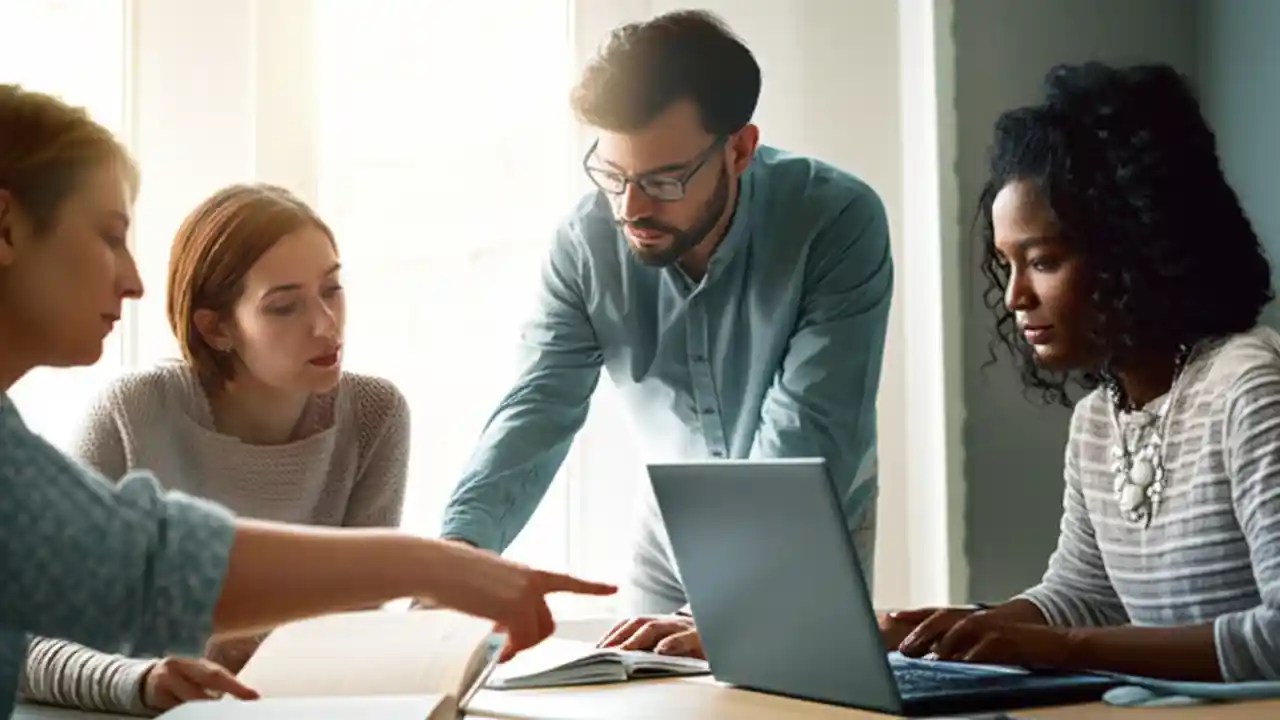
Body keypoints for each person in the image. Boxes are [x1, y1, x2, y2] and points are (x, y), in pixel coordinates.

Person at [0, 85, 614, 719]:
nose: (133, 282)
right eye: (109, 236)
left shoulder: (12, 454)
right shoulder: (127, 414)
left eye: (332, 289)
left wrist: (440, 570)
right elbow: (152, 568)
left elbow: (145, 561)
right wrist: (440, 566)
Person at [440, 9, 892, 660]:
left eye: (663, 180)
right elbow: (537, 407)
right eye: (613, 175)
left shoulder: (837, 219)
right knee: (644, 688)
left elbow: (809, 426)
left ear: (739, 150)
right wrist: (460, 554)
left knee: (787, 695)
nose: (631, 208)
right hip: (667, 523)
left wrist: (734, 608)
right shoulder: (585, 243)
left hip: (805, 522)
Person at [883, 62, 1280, 682]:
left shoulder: (1247, 387)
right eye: (1006, 264)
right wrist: (949, 630)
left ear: (1135, 250)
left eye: (1042, 261)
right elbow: (1084, 596)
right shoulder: (1100, 417)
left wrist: (1066, 648)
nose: (1014, 296)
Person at [20, 183, 413, 714]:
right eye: (284, 307)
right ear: (216, 328)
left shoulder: (376, 415)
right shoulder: (133, 413)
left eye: (332, 288)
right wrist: (141, 679)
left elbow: (356, 616)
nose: (326, 324)